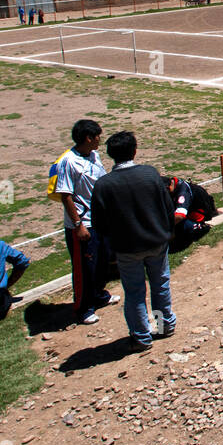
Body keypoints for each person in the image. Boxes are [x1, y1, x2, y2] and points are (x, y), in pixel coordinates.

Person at [90, 131, 178, 351]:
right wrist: (167, 232)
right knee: (160, 284)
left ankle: (141, 336)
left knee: (135, 292)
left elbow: (99, 223)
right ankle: (163, 325)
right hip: (156, 242)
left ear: (111, 155)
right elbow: (167, 208)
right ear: (135, 150)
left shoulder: (104, 185)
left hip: (127, 247)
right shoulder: (150, 174)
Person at [52, 119, 119, 325]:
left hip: (101, 219)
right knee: (85, 267)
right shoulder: (68, 162)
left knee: (102, 261)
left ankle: (99, 295)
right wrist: (78, 224)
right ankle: (83, 308)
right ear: (88, 138)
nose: (100, 139)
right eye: (98, 135)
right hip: (84, 224)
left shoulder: (94, 155)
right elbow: (65, 195)